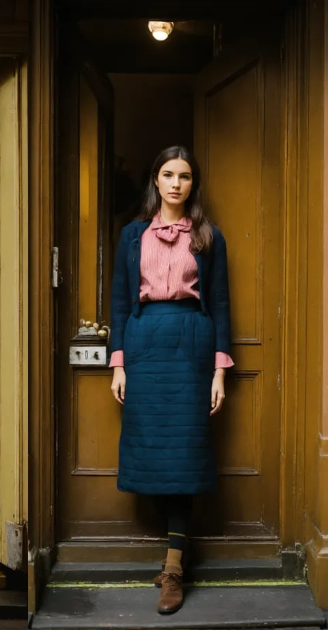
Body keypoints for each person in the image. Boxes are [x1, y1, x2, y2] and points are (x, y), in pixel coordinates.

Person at [108, 145, 232, 614]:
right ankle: (178, 546)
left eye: (184, 176)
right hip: (144, 345)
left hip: (191, 345)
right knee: (155, 455)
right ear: (155, 181)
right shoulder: (132, 236)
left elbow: (220, 304)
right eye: (168, 174)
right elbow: (119, 302)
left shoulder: (208, 236)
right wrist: (118, 362)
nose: (176, 183)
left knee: (185, 454)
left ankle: (174, 567)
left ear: (192, 184)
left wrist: (220, 370)